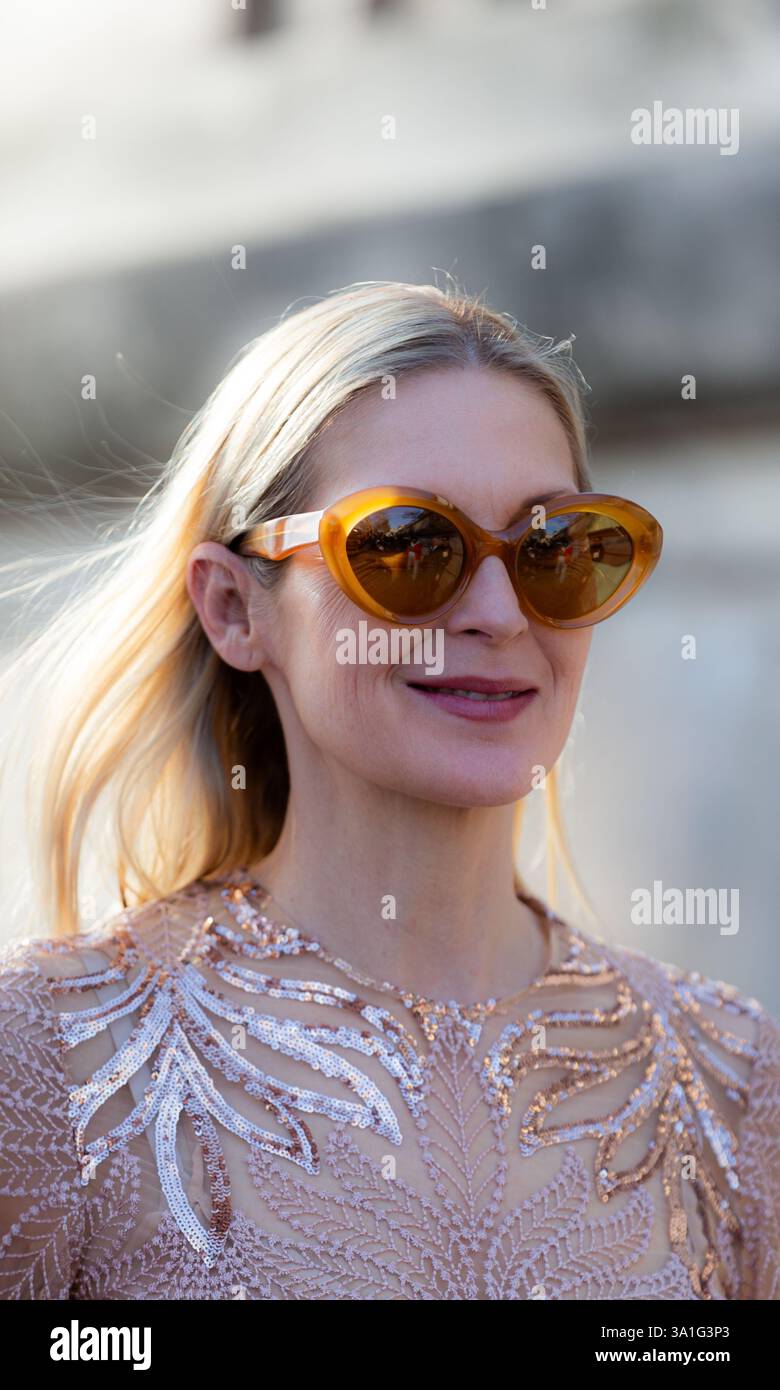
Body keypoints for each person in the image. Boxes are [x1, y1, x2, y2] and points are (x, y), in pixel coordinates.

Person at [0, 280, 777, 1301]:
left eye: (554, 548)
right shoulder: (50, 1062)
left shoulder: (736, 1086)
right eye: (410, 547)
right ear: (236, 608)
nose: (499, 613)